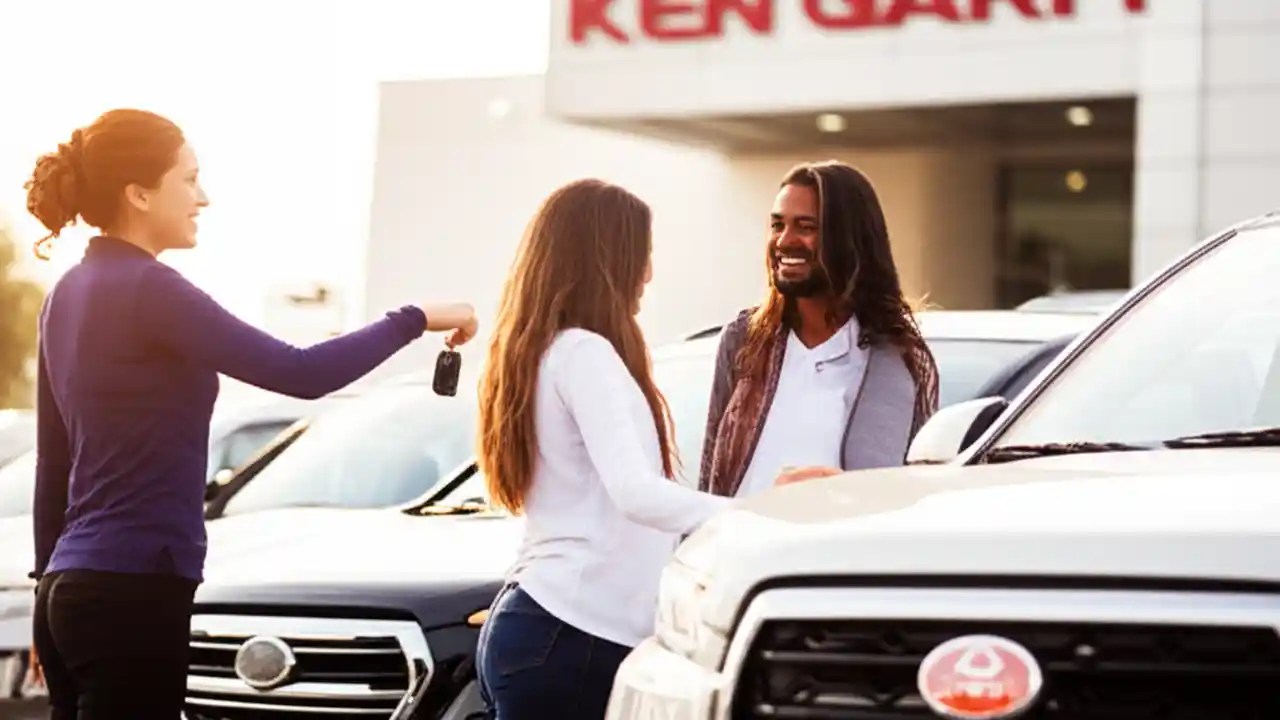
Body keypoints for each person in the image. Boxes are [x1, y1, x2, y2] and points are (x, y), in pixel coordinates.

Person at [24, 108, 478, 720]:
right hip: (135, 587)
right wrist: (414, 319)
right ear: (139, 194)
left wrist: (44, 591)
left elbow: (53, 463)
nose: (202, 198)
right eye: (189, 180)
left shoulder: (66, 294)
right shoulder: (152, 290)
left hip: (69, 591)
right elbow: (303, 373)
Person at [474, 179, 792, 720]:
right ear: (606, 259)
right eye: (641, 255)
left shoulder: (545, 351)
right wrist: (758, 515)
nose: (647, 274)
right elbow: (638, 495)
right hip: (572, 635)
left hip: (549, 629)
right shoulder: (583, 353)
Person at [700, 160, 939, 499]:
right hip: (740, 532)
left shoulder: (898, 361)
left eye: (806, 227)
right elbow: (709, 476)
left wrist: (842, 493)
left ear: (848, 239)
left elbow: (911, 493)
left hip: (839, 533)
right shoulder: (743, 341)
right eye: (777, 225)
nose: (785, 240)